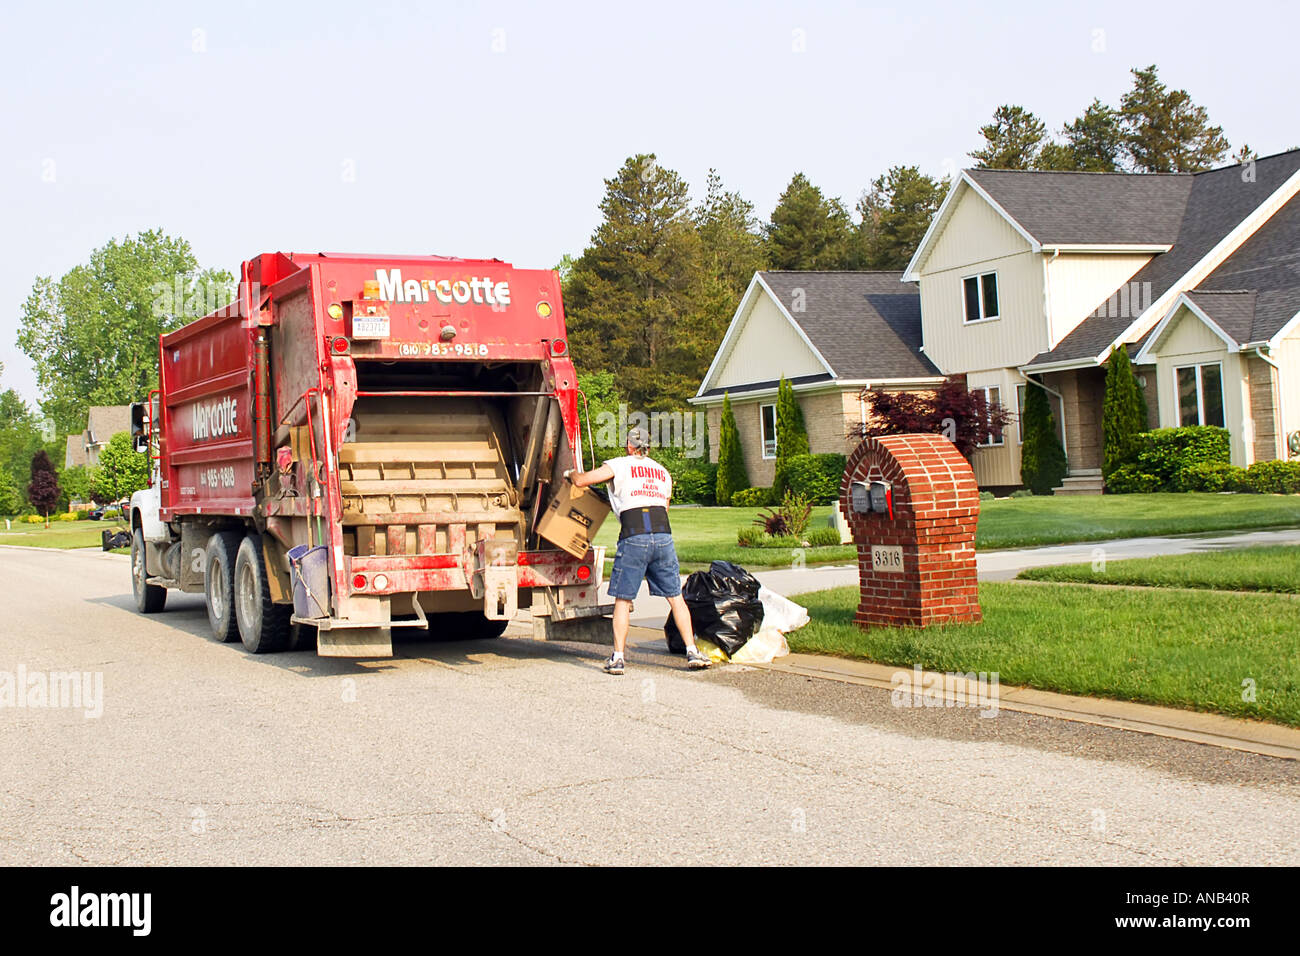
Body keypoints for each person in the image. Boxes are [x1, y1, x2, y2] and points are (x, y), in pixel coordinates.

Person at [565, 427, 710, 675]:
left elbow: (582, 481)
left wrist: (570, 472)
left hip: (634, 536)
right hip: (663, 536)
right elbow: (664, 507)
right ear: (648, 448)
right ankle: (692, 651)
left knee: (623, 599)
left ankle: (618, 658)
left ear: (629, 447)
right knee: (676, 597)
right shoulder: (663, 472)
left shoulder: (618, 465)